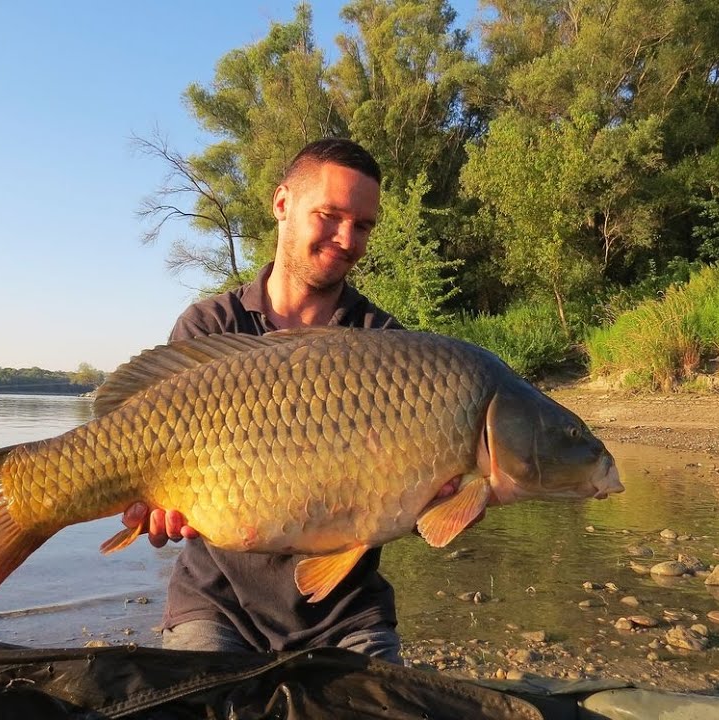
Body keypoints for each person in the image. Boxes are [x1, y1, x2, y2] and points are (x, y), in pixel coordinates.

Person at [121, 138, 464, 664]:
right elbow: (156, 480)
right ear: (282, 204)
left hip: (346, 613)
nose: (346, 239)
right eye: (329, 215)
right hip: (217, 607)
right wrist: (155, 512)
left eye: (363, 225)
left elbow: (411, 514)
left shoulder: (386, 345)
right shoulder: (210, 326)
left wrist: (450, 503)